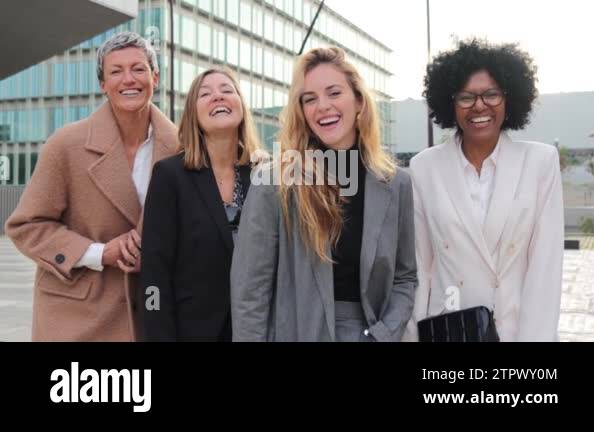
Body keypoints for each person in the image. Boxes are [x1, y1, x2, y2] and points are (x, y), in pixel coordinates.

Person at [231, 47, 417, 342]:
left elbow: (405, 278)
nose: (323, 106)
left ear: (358, 101)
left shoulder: (396, 184)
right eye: (310, 99)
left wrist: (381, 336)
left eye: (334, 93)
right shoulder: (274, 182)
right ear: (301, 112)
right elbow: (249, 289)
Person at [4, 31, 178, 341]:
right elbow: (26, 226)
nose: (129, 79)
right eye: (116, 71)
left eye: (138, 69)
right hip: (78, 316)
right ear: (103, 85)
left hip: (156, 313)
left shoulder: (183, 147)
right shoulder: (65, 144)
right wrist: (99, 253)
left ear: (155, 77)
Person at [406, 39, 564, 342]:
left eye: (491, 94)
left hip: (516, 330)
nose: (479, 105)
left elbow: (545, 270)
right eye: (466, 97)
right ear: (450, 104)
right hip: (450, 330)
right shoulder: (424, 168)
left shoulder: (540, 163)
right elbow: (419, 269)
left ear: (509, 99)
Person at [140, 67, 261, 341]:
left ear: (241, 105)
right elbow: (154, 275)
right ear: (193, 114)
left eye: (227, 91)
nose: (218, 97)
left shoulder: (263, 176)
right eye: (205, 94)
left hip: (257, 331)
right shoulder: (169, 176)